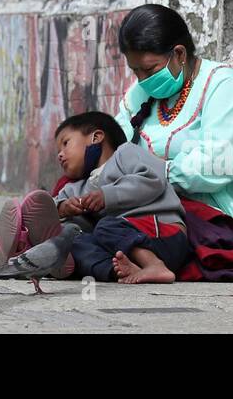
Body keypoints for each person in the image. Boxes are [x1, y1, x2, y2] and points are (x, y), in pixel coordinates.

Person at [116, 3, 233, 264]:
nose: (142, 80)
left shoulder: (223, 84)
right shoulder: (140, 93)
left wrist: (153, 174)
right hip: (152, 204)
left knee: (133, 236)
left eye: (150, 70)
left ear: (179, 54)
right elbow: (116, 147)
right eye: (136, 71)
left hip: (218, 209)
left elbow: (216, 164)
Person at [52, 111, 190, 283]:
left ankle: (154, 265)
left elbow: (153, 180)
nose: (60, 155)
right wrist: (63, 208)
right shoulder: (77, 187)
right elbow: (51, 206)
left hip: (164, 233)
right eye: (58, 151)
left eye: (66, 143)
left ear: (96, 137)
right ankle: (118, 271)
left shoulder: (126, 154)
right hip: (123, 250)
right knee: (72, 241)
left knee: (106, 227)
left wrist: (107, 196)